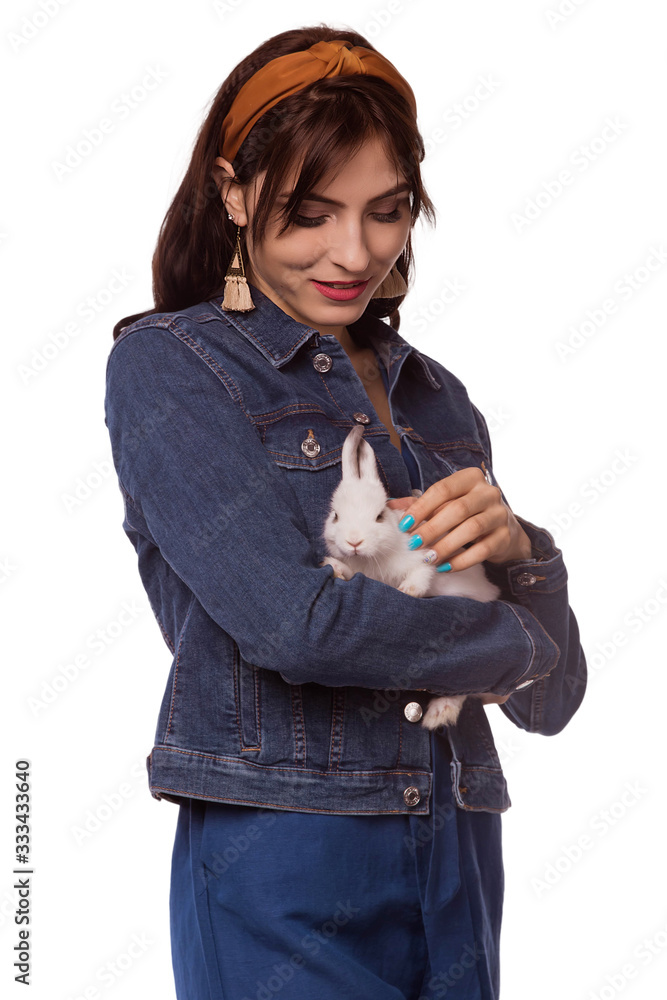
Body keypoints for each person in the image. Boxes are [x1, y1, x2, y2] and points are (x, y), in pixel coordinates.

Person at [104, 23, 587, 1000]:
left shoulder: (438, 400)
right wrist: (517, 642)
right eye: (310, 213)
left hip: (456, 832)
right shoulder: (171, 365)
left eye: (386, 210)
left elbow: (554, 700)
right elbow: (300, 626)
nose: (353, 251)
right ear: (235, 193)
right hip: (282, 850)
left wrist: (523, 551)